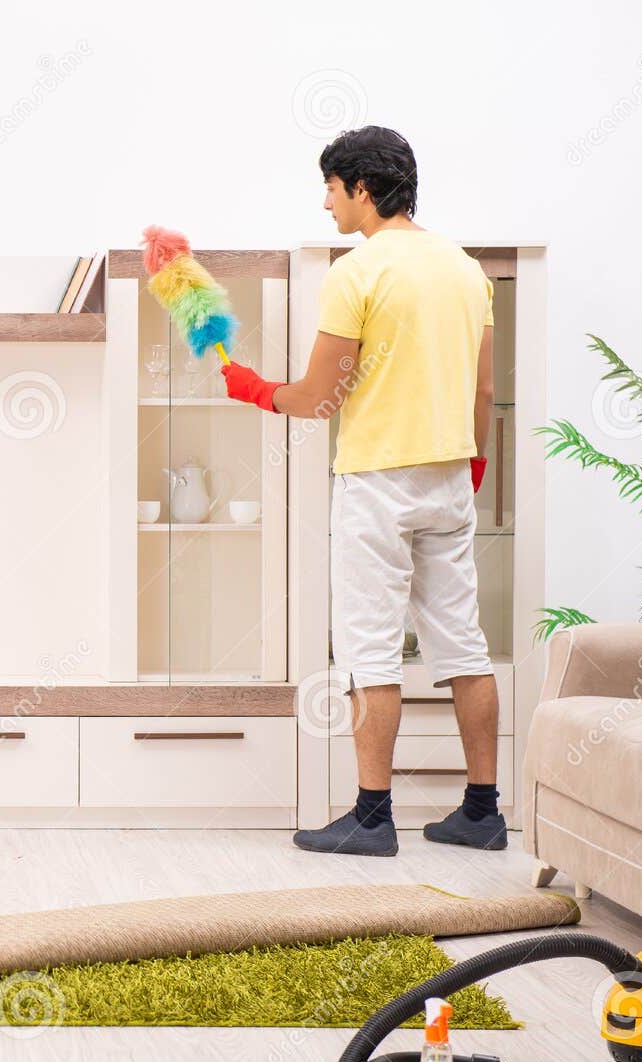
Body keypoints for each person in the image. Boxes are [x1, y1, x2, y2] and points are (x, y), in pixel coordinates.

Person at [219, 125, 502, 856]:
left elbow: (320, 397)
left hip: (380, 480)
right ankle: (482, 812)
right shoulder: (466, 270)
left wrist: (254, 389)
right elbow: (485, 389)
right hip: (449, 478)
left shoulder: (358, 271)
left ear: (363, 189)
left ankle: (373, 818)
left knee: (370, 649)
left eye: (332, 188)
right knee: (464, 646)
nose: (325, 204)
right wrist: (470, 470)